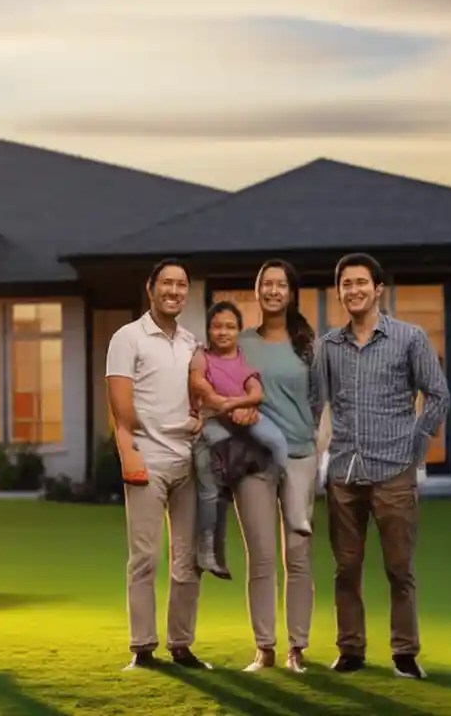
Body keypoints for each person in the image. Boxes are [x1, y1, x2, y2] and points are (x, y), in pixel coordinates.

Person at [313, 252, 449, 680]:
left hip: (394, 471)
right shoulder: (328, 346)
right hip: (344, 474)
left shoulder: (409, 338)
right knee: (346, 568)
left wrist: (416, 443)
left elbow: (438, 394)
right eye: (346, 284)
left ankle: (405, 653)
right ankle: (350, 650)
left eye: (360, 283)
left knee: (399, 569)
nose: (354, 290)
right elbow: (315, 404)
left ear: (378, 290)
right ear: (339, 293)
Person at [105, 257, 210, 671]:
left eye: (181, 285)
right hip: (146, 461)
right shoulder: (127, 338)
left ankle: (181, 645)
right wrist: (128, 452)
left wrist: (200, 417)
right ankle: (143, 647)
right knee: (145, 557)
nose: (174, 291)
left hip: (188, 463)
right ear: (150, 289)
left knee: (188, 559)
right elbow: (119, 402)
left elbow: (197, 393)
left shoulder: (190, 342)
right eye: (166, 283)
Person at [220, 259, 324, 674]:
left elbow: (320, 402)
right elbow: (226, 392)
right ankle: (264, 647)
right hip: (253, 461)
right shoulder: (242, 343)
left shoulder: (309, 346)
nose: (273, 291)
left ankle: (297, 647)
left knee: (297, 556)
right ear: (258, 290)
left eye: (281, 285)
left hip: (299, 458)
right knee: (260, 557)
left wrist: (311, 442)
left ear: (292, 293)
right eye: (267, 284)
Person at [189, 301, 305, 571]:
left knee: (276, 440)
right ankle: (206, 547)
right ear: (208, 330)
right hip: (213, 423)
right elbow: (201, 386)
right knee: (210, 487)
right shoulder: (202, 357)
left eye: (230, 327)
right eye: (216, 326)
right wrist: (226, 405)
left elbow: (257, 392)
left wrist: (240, 406)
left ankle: (285, 486)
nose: (223, 332)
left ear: (239, 331)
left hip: (241, 415)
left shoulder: (242, 358)